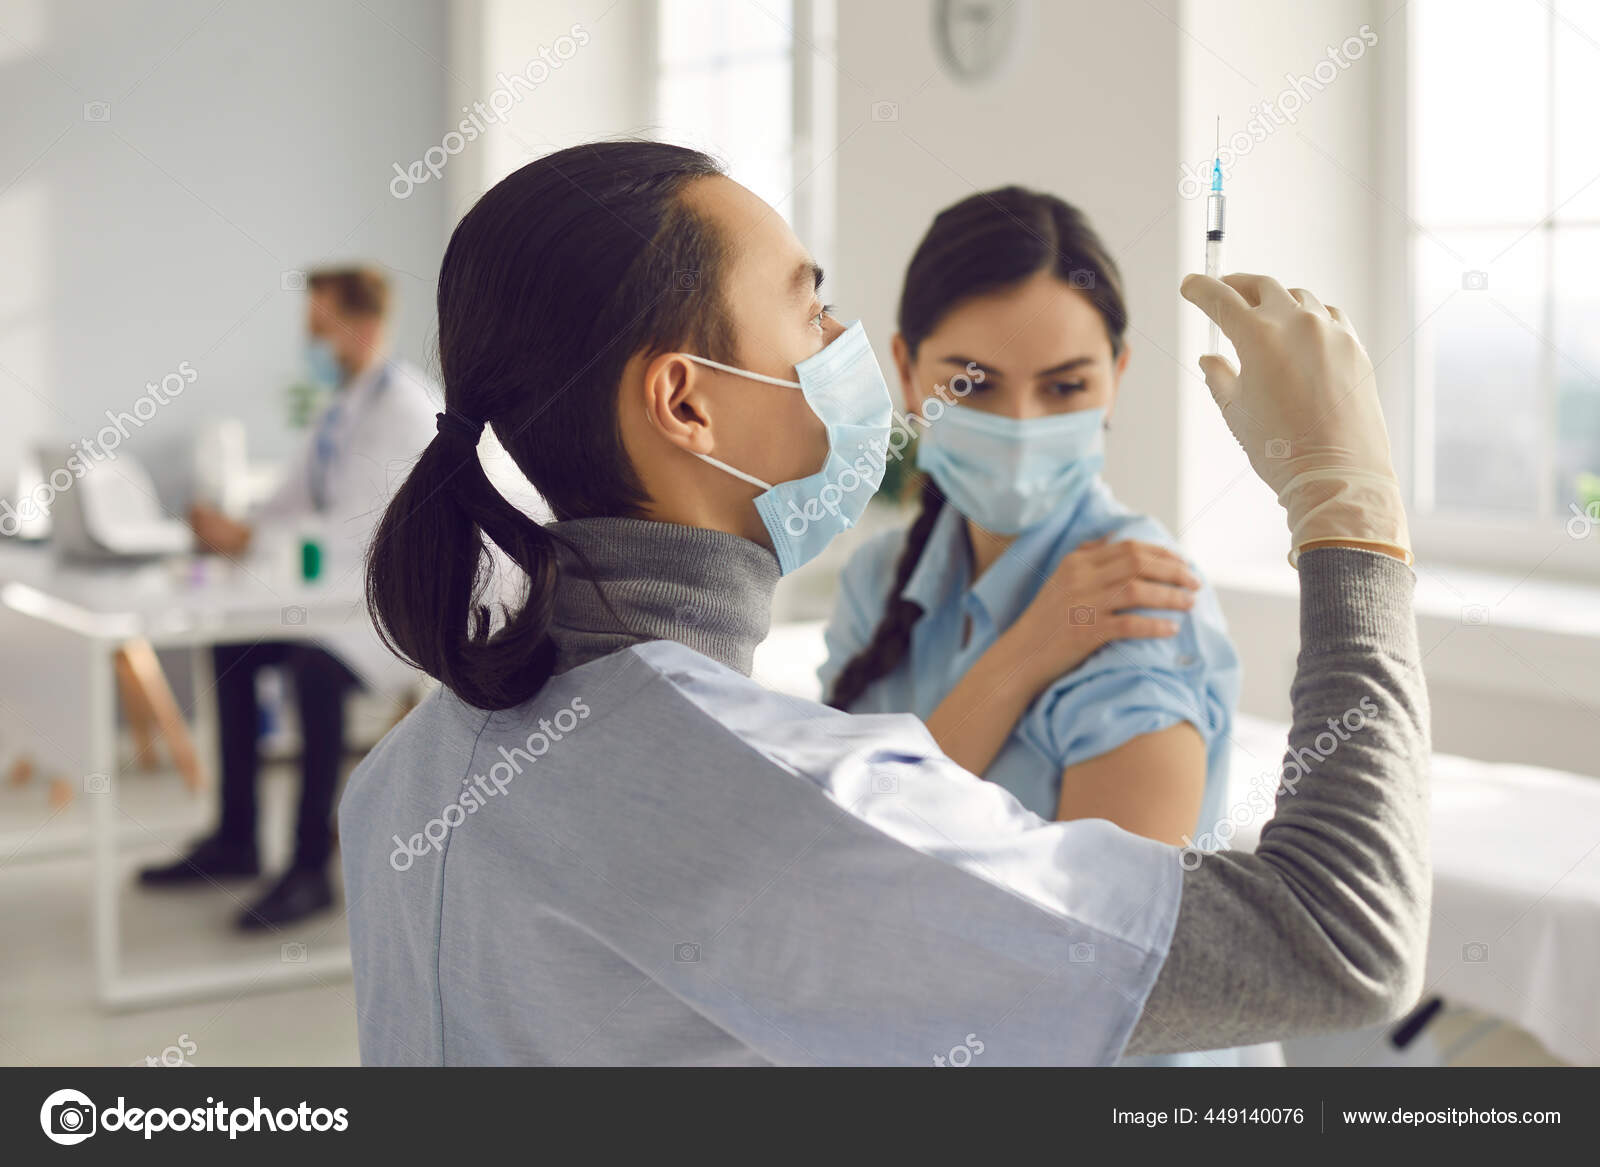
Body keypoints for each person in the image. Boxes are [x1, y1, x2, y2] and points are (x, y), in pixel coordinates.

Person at [339, 141, 1425, 1065]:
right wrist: (1351, 518)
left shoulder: (403, 775)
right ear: (685, 401)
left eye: (1063, 383)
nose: (838, 350)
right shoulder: (769, 775)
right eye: (811, 315)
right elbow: (1335, 942)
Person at [818, 189, 1265, 1066]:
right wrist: (1023, 654)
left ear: (1118, 375)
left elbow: (1091, 966)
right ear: (908, 372)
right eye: (971, 384)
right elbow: (837, 858)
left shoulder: (1143, 610)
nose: (1021, 425)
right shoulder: (881, 580)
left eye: (1065, 385)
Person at [141, 267, 437, 930]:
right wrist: (229, 527)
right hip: (334, 601)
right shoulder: (341, 406)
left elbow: (359, 531)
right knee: (234, 645)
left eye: (319, 329)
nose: (310, 342)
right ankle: (237, 838)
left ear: (361, 329)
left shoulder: (403, 408)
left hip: (392, 608)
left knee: (313, 669)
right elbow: (292, 498)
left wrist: (251, 536)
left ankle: (309, 870)